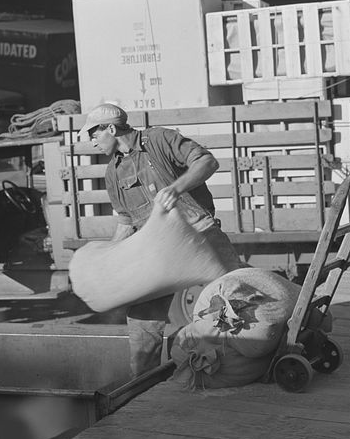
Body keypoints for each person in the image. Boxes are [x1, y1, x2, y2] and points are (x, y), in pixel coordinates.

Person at [78, 102, 244, 375]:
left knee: (237, 299)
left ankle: (253, 363)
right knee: (142, 321)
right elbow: (126, 221)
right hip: (157, 254)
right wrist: (107, 259)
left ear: (110, 128)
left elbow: (207, 161)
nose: (91, 141)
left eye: (94, 134)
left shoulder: (158, 140)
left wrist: (176, 188)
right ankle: (142, 387)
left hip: (199, 235)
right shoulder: (112, 173)